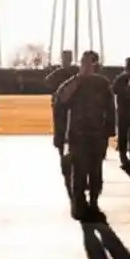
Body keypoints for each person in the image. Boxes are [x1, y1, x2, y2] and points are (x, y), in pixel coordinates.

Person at [57, 50, 115, 221]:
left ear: (96, 65)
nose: (85, 65)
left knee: (95, 172)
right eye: (83, 62)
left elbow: (110, 109)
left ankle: (94, 203)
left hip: (97, 134)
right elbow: (62, 98)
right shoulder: (75, 82)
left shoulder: (102, 84)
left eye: (89, 62)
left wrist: (110, 131)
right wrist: (79, 79)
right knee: (79, 172)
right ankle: (79, 205)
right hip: (78, 134)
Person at [46, 50, 78, 179]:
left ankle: (72, 161)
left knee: (74, 135)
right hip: (60, 109)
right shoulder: (57, 74)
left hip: (74, 108)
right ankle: (63, 160)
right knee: (60, 133)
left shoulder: (75, 73)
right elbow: (47, 83)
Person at [111, 57, 130, 168]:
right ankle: (125, 156)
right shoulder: (123, 78)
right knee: (125, 135)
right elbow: (114, 90)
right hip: (125, 110)